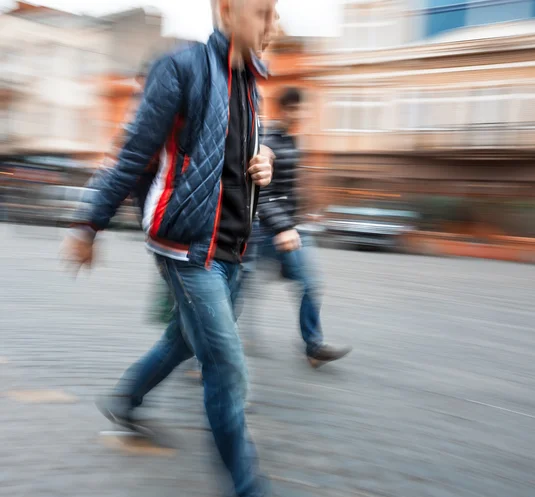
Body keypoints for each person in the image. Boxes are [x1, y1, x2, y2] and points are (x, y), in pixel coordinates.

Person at [61, 0, 277, 496]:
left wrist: (263, 159)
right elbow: (133, 153)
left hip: (235, 249)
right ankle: (248, 486)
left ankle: (126, 398)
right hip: (184, 246)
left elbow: (231, 162)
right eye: (263, 12)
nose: (273, 25)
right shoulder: (180, 69)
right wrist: (87, 224)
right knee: (225, 366)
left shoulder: (250, 86)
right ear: (226, 10)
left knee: (183, 340)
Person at [246, 88, 352, 368]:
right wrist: (283, 227)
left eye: (304, 109)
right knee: (243, 286)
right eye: (297, 109)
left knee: (306, 284)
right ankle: (209, 349)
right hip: (271, 230)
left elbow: (290, 189)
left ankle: (314, 347)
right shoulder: (270, 142)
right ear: (285, 110)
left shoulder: (293, 140)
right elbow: (263, 192)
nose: (302, 114)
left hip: (290, 227)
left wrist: (307, 213)